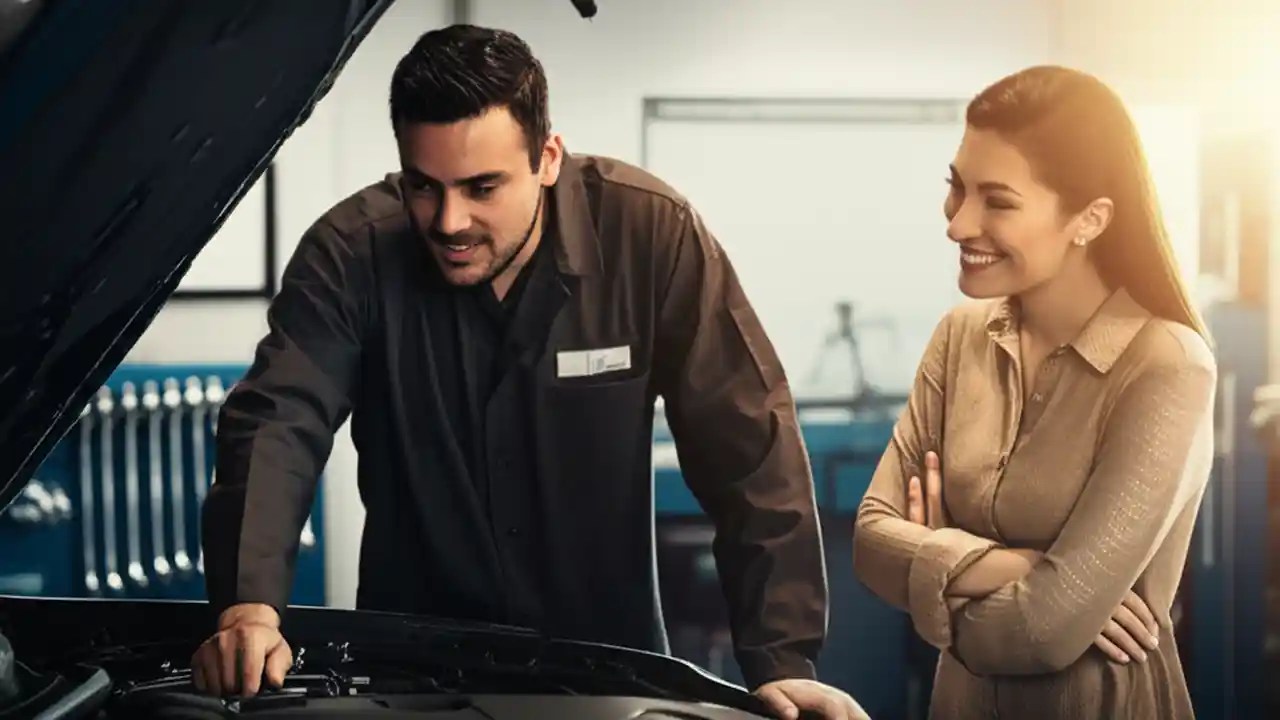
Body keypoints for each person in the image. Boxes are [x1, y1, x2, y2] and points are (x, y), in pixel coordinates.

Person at [191, 23, 867, 720]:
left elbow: (750, 448)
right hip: (412, 674)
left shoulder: (650, 235)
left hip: (612, 676)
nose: (450, 220)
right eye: (424, 186)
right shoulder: (350, 254)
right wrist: (250, 606)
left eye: (483, 187)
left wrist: (781, 659)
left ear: (548, 157)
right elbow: (279, 420)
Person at [852, 65, 1216, 719]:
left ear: (1090, 219)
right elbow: (871, 544)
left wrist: (932, 565)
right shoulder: (959, 335)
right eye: (956, 189)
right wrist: (1021, 569)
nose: (958, 224)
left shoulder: (1169, 366)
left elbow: (1044, 633)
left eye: (998, 200)